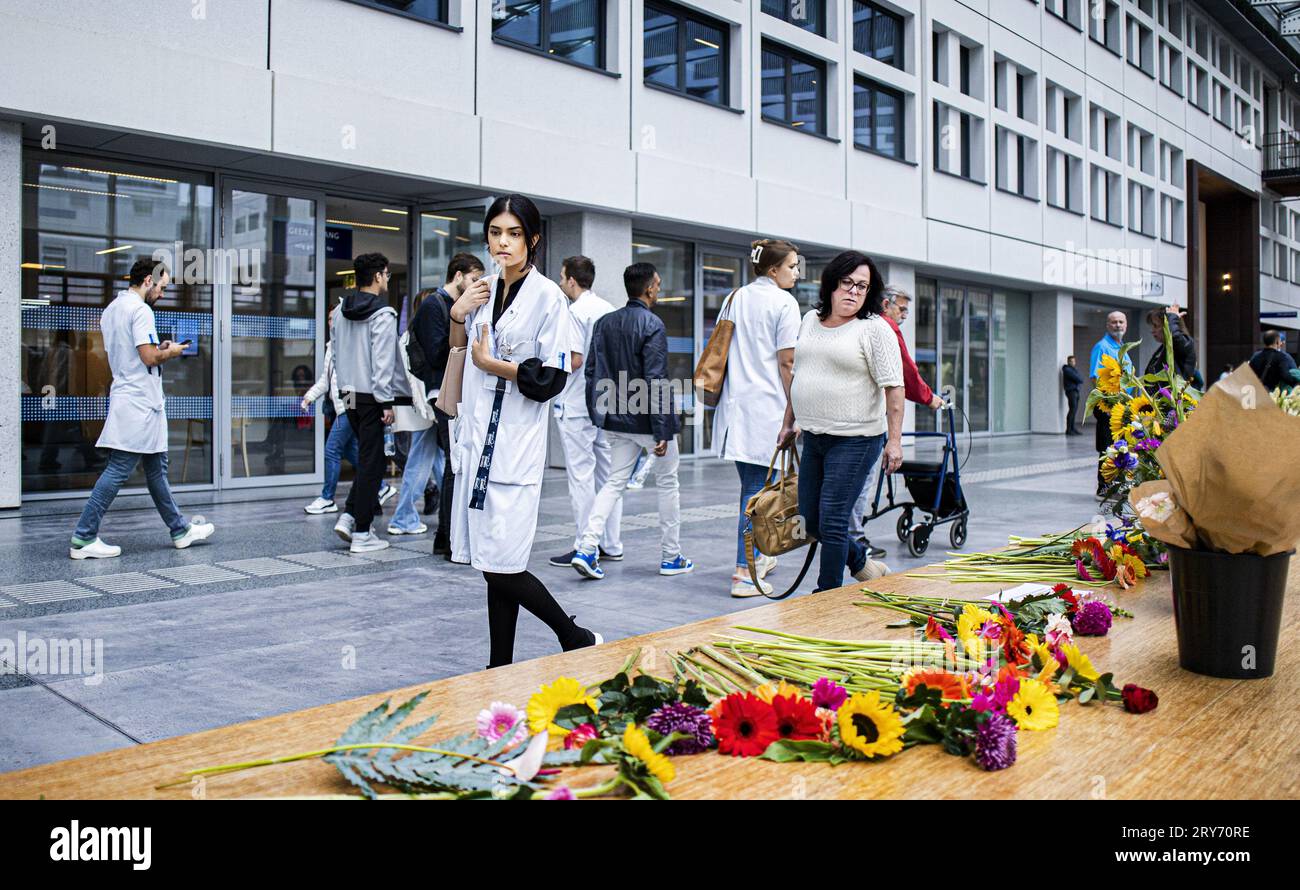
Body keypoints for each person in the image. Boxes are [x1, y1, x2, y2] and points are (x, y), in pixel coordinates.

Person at [448, 194, 600, 667]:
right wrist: (458, 314)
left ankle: (571, 634)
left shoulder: (548, 299)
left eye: (514, 234)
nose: (503, 243)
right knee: (493, 565)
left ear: (532, 239)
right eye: (496, 232)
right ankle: (500, 664)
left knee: (503, 563)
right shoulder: (483, 291)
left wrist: (495, 365)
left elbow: (552, 377)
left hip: (514, 445)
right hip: (478, 444)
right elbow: (456, 354)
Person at [70, 258, 214, 559]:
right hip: (138, 401)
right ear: (148, 280)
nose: (162, 294)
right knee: (119, 468)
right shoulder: (141, 310)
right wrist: (171, 351)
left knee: (156, 469)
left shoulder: (113, 309)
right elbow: (148, 358)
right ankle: (84, 536)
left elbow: (134, 353)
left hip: (131, 395)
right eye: (161, 288)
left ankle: (179, 530)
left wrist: (157, 349)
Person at [780, 250, 903, 592]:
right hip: (814, 437)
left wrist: (894, 441)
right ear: (832, 284)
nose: (853, 291)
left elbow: (894, 388)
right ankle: (863, 565)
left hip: (856, 439)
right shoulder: (809, 320)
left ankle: (826, 596)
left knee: (833, 522)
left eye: (862, 286)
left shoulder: (875, 329)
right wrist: (789, 422)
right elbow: (799, 375)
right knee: (810, 520)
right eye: (847, 283)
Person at [571, 263, 692, 581]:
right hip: (648, 422)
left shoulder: (605, 323)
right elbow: (656, 379)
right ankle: (671, 556)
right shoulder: (653, 324)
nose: (660, 289)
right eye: (659, 283)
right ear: (650, 287)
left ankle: (586, 547)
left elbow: (592, 372)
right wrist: (663, 428)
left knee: (613, 483)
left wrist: (600, 414)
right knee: (668, 484)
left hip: (615, 419)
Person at [709, 239, 801, 597]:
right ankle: (744, 572)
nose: (796, 272)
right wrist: (795, 413)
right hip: (768, 412)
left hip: (735, 411)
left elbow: (720, 351)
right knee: (756, 495)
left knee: (754, 490)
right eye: (792, 266)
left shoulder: (734, 298)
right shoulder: (784, 303)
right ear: (773, 269)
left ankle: (758, 560)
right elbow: (788, 362)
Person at [388, 254, 485, 547]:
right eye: (473, 279)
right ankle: (446, 536)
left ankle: (435, 529)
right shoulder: (436, 305)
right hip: (441, 394)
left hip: (447, 392)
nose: (476, 285)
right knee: (454, 463)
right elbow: (437, 354)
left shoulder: (451, 305)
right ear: (458, 276)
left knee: (431, 460)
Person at [848, 285, 945, 560]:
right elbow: (905, 373)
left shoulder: (853, 323)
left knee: (846, 481)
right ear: (886, 304)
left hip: (839, 419)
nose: (903, 315)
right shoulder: (885, 327)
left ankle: (841, 534)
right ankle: (854, 540)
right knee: (861, 481)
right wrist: (930, 399)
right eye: (901, 309)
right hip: (866, 419)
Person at [548, 255, 623, 568]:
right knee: (608, 474)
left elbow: (575, 359)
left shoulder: (574, 311)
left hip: (577, 403)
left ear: (570, 280)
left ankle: (584, 544)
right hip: (604, 405)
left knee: (580, 476)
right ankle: (611, 543)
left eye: (563, 276)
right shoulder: (608, 309)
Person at [330, 252, 398, 554]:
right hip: (372, 396)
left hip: (348, 393)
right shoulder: (383, 315)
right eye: (387, 275)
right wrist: (387, 402)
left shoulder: (340, 310)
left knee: (368, 459)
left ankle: (349, 516)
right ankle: (362, 532)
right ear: (379, 276)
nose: (387, 280)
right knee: (373, 463)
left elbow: (335, 355)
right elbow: (382, 363)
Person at [300, 309, 394, 515]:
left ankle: (327, 498)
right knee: (353, 452)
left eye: (335, 319)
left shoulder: (350, 345)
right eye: (329, 319)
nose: (331, 322)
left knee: (332, 449)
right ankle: (380, 487)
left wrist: (349, 407)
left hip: (349, 406)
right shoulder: (330, 347)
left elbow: (356, 377)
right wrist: (309, 396)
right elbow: (326, 380)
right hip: (342, 406)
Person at [1089, 310, 1132, 496]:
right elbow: (1096, 377)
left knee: (1119, 446)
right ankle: (1105, 487)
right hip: (1109, 406)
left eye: (1121, 322)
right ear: (1107, 325)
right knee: (1108, 448)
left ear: (1126, 325)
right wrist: (1107, 403)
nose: (1118, 325)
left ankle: (1116, 485)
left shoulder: (1120, 347)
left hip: (1121, 407)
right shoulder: (1102, 346)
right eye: (1114, 322)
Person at [1143, 304, 1197, 382]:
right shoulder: (1162, 348)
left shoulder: (1185, 344)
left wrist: (1172, 316)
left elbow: (1175, 336)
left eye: (1156, 326)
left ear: (1168, 325)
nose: (1152, 330)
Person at [1062, 355, 1084, 435]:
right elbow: (1078, 379)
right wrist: (1078, 378)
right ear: (1068, 362)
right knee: (1072, 410)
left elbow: (1080, 379)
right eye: (1071, 361)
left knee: (1074, 410)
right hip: (1071, 392)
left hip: (1075, 391)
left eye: (1074, 361)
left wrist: (1078, 378)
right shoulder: (1067, 370)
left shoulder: (1073, 370)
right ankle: (1069, 430)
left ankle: (1072, 428)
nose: (1073, 362)